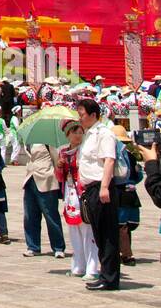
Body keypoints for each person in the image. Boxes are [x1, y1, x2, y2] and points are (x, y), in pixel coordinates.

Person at [76, 97, 120, 291]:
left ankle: (110, 278)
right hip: (90, 189)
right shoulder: (89, 134)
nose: (80, 119)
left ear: (93, 115)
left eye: (82, 115)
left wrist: (104, 187)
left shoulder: (104, 134)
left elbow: (109, 160)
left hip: (101, 188)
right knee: (99, 234)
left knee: (107, 233)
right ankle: (105, 274)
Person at [55, 120, 100, 279]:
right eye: (74, 132)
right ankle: (78, 265)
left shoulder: (85, 150)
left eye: (80, 132)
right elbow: (59, 177)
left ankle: (92, 267)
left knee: (88, 230)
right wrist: (60, 166)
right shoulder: (63, 152)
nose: (78, 135)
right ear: (68, 134)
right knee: (74, 232)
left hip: (83, 191)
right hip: (69, 192)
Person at [22, 144, 66, 258]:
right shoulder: (28, 140)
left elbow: (56, 159)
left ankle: (58, 247)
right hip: (30, 178)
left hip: (46, 179)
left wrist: (58, 168)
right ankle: (33, 246)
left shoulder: (47, 141)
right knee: (30, 216)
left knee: (51, 215)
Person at [112, 124, 142, 266]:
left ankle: (126, 255)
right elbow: (139, 176)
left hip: (119, 191)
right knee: (129, 224)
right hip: (131, 192)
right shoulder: (132, 154)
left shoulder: (113, 154)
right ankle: (125, 251)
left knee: (121, 224)